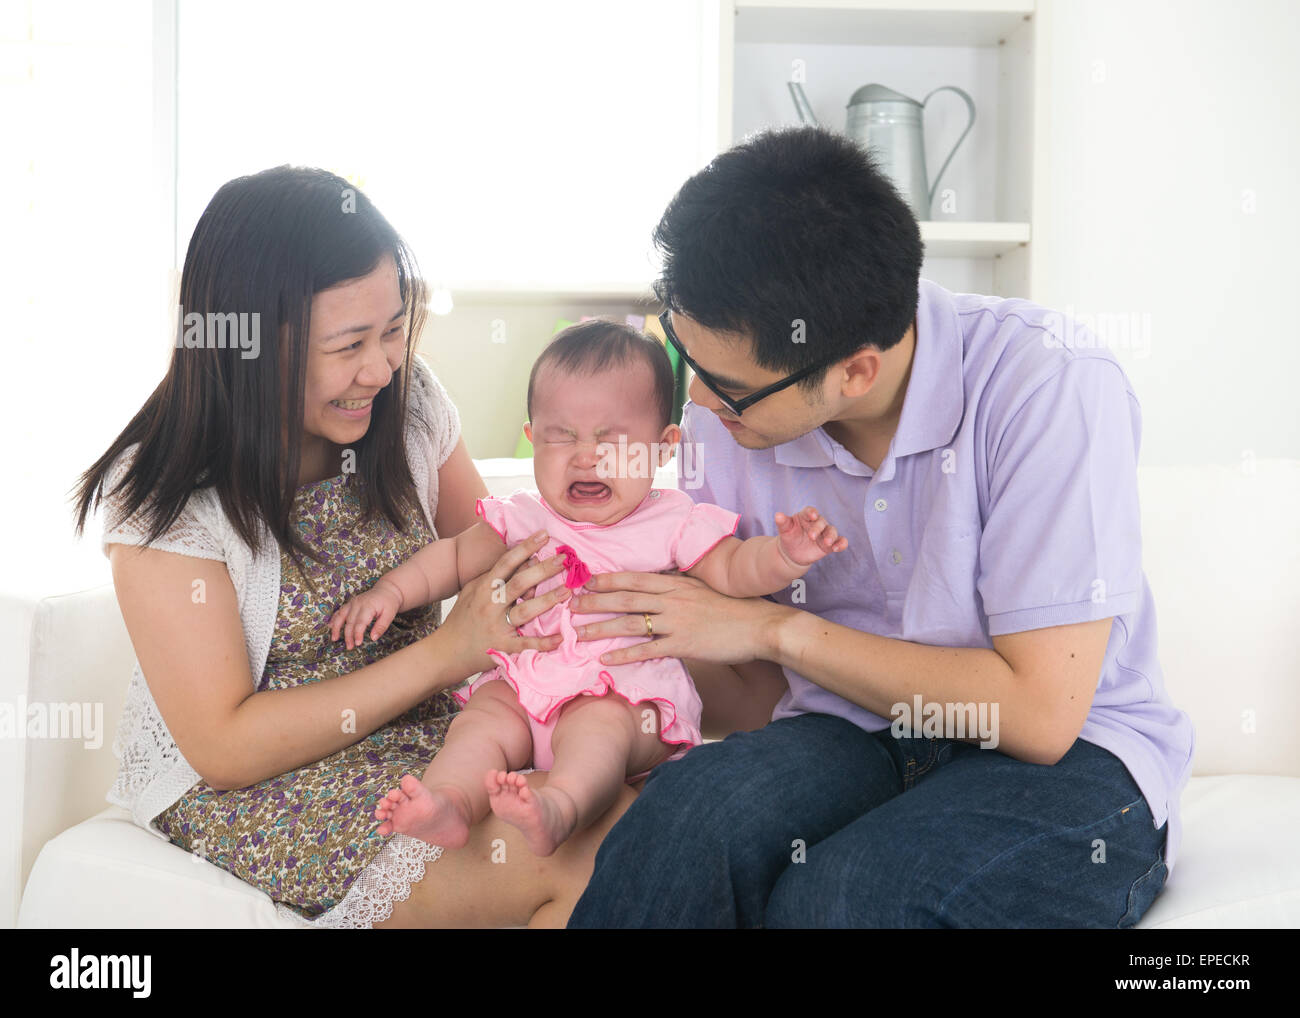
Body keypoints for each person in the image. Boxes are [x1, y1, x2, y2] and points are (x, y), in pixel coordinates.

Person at [564, 126, 1196, 929]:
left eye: (727, 386)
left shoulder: (1050, 385)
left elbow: (1039, 717)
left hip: (1073, 757)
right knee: (682, 824)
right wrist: (613, 648)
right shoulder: (724, 422)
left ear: (855, 370)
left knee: (844, 899)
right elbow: (750, 696)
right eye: (684, 360)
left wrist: (770, 628)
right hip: (852, 730)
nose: (698, 406)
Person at [70, 166, 640, 928]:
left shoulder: (404, 407)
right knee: (571, 860)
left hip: (427, 732)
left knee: (642, 820)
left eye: (394, 331)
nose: (380, 368)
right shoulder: (167, 500)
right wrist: (449, 652)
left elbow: (490, 543)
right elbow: (225, 745)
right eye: (349, 345)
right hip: (266, 780)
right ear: (253, 347)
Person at [328, 320, 847, 858]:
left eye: (613, 440)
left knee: (595, 728)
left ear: (663, 447)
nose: (586, 456)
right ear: (532, 438)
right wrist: (391, 591)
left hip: (626, 696)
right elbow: (454, 557)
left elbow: (735, 568)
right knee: (480, 723)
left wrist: (785, 555)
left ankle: (561, 807)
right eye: (562, 436)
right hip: (525, 684)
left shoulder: (672, 520)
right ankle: (450, 804)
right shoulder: (525, 516)